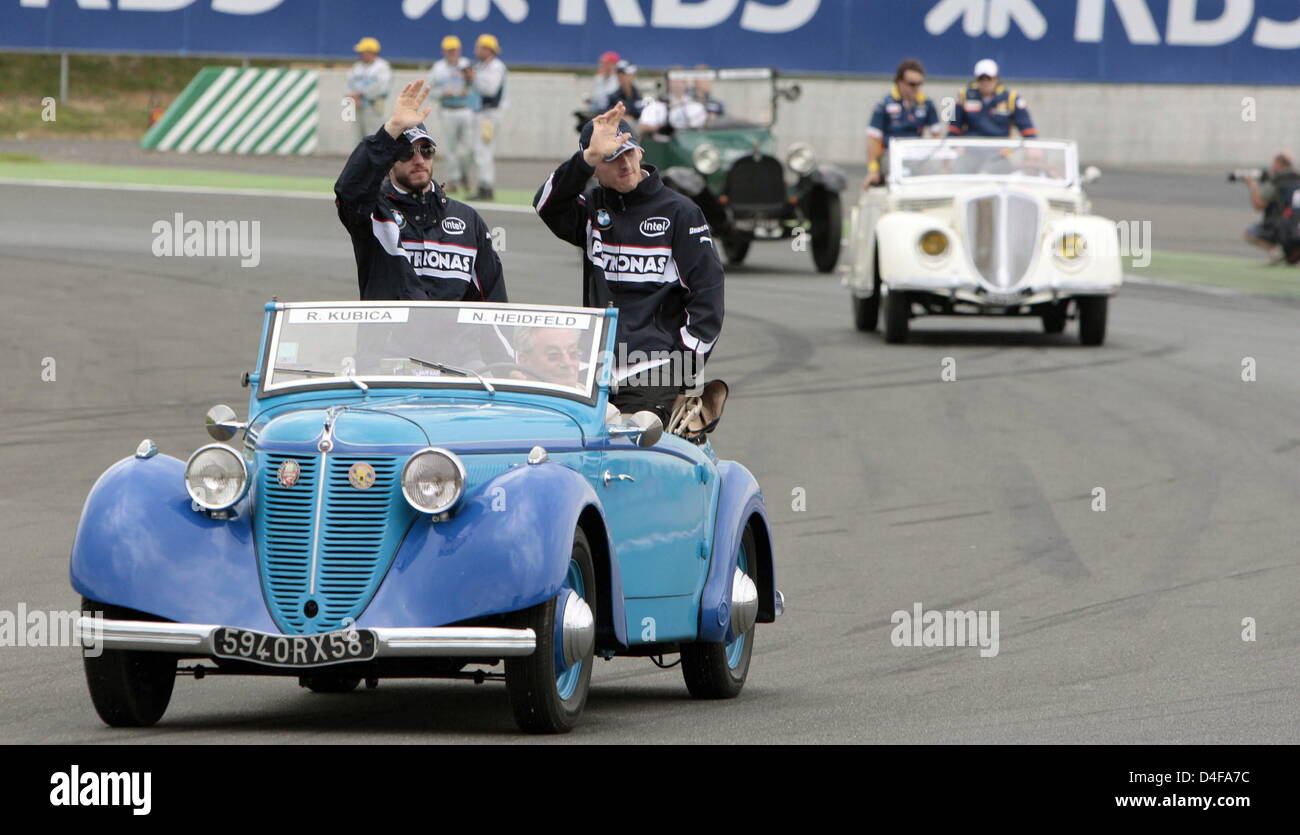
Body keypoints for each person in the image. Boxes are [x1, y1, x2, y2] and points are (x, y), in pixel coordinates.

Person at [533, 102, 724, 421]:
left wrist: (684, 369)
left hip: (656, 368)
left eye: (628, 152)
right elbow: (545, 204)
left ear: (640, 152)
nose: (624, 164)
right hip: (593, 366)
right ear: (595, 167)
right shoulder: (591, 207)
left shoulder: (682, 213)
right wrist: (584, 159)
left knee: (635, 439)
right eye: (611, 157)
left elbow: (708, 299)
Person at [335, 80, 506, 303]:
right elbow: (349, 190)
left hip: (449, 338)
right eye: (406, 152)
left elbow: (492, 300)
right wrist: (392, 128)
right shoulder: (372, 213)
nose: (419, 160)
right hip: (388, 338)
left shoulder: (467, 219)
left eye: (426, 150)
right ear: (390, 162)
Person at [865, 57, 942, 188]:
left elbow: (937, 136)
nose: (916, 88)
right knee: (898, 171)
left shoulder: (927, 104)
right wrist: (873, 170)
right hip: (891, 154)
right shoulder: (884, 105)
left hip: (917, 154)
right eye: (912, 84)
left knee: (932, 172)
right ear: (899, 82)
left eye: (919, 84)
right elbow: (873, 141)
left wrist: (942, 164)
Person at [428, 35, 478, 195]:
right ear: (444, 51)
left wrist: (470, 83)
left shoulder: (467, 65)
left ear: (459, 50)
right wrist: (443, 93)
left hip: (465, 108)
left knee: (468, 148)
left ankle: (465, 175)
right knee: (450, 148)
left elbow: (476, 86)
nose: (452, 53)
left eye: (454, 50)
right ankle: (453, 180)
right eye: (449, 50)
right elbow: (430, 90)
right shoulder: (438, 68)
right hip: (448, 109)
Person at [948, 58, 1037, 139]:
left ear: (996, 78)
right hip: (971, 148)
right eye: (981, 79)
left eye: (989, 78)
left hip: (1001, 150)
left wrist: (1032, 146)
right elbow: (954, 128)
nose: (985, 82)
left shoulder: (1011, 98)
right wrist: (955, 147)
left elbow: (1027, 128)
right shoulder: (965, 96)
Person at [1243, 152, 1300, 263]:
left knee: (1250, 233)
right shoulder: (1298, 179)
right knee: (1291, 259)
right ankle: (1291, 252)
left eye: (1273, 163)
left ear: (1279, 164)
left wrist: (1252, 185)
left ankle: (1277, 252)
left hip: (1283, 226)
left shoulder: (1276, 181)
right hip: (1297, 226)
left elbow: (1259, 205)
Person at [470, 34, 507, 202]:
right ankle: (484, 185)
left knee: (484, 150)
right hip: (483, 112)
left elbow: (490, 89)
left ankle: (486, 186)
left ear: (488, 50)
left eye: (480, 47)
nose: (477, 50)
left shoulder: (496, 67)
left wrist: (473, 78)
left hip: (490, 114)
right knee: (480, 150)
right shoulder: (482, 66)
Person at [346, 37, 393, 142]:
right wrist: (351, 96)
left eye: (363, 51)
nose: (360, 54)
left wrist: (361, 95)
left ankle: (375, 158)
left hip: (374, 107)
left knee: (374, 135)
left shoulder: (382, 67)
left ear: (372, 52)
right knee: (358, 137)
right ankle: (360, 158)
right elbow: (349, 84)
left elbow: (381, 87)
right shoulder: (357, 67)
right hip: (357, 106)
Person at [639, 71, 707, 137]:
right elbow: (643, 127)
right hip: (664, 144)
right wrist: (660, 129)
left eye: (680, 80)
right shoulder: (656, 105)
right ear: (668, 83)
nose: (677, 84)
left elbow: (703, 127)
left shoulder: (695, 106)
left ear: (685, 83)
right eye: (674, 80)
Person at [514, 327, 583, 387]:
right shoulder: (509, 398)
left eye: (573, 353)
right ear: (524, 361)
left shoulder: (590, 396)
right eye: (554, 355)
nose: (567, 363)